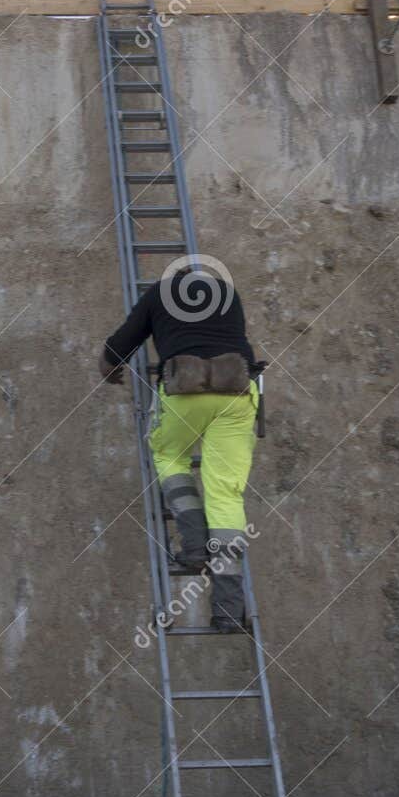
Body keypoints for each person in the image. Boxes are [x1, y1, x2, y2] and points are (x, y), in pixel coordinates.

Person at [99, 262, 263, 633]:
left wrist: (108, 366)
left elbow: (123, 340)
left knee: (169, 454)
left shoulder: (159, 293)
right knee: (225, 493)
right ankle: (227, 612)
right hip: (237, 392)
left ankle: (193, 547)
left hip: (184, 390)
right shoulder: (229, 293)